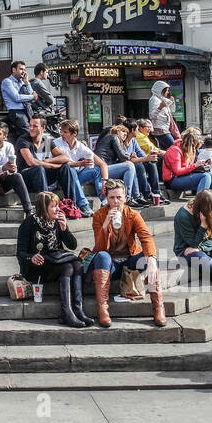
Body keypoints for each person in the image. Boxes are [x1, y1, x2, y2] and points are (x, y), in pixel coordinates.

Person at [87, 179, 166, 326]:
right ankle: (103, 309)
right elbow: (99, 248)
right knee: (102, 256)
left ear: (125, 197)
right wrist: (105, 227)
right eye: (111, 197)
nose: (116, 201)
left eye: (119, 197)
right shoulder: (99, 215)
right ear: (106, 198)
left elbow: (145, 237)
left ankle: (158, 308)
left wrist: (152, 259)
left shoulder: (133, 214)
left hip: (129, 261)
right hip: (109, 264)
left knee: (151, 259)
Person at [17, 190, 90, 328]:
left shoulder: (57, 222)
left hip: (55, 260)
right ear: (43, 208)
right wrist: (31, 257)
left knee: (78, 265)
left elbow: (72, 245)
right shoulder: (29, 224)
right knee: (67, 267)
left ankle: (78, 309)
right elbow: (20, 252)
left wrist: (64, 229)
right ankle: (66, 312)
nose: (58, 209)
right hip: (37, 266)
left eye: (57, 205)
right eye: (53, 206)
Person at [18, 116, 91, 214]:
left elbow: (65, 158)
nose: (31, 128)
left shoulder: (46, 141)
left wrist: (49, 161)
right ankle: (46, 207)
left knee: (66, 167)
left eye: (35, 126)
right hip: (26, 178)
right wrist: (52, 165)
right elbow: (31, 162)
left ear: (43, 128)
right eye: (30, 125)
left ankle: (70, 206)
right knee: (39, 168)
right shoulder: (23, 140)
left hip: (43, 175)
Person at [50, 119, 115, 213]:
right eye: (62, 131)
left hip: (76, 176)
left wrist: (105, 183)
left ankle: (105, 200)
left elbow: (102, 164)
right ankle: (83, 204)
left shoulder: (81, 147)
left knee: (96, 169)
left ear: (74, 134)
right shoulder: (56, 143)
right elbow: (57, 164)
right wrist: (80, 163)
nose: (62, 134)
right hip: (61, 177)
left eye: (65, 132)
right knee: (70, 170)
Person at [89, 122, 149, 207]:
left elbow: (121, 158)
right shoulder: (114, 137)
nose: (125, 134)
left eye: (126, 133)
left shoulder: (116, 141)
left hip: (106, 168)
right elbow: (122, 157)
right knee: (129, 166)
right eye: (123, 131)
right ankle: (127, 198)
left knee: (131, 165)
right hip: (100, 170)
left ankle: (135, 196)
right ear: (117, 131)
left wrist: (130, 157)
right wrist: (132, 157)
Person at [161, 129, 212, 202]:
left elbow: (187, 167)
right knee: (205, 176)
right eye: (195, 144)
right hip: (172, 180)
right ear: (191, 141)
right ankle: (199, 202)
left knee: (211, 174)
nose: (195, 146)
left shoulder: (190, 149)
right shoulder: (175, 150)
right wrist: (195, 165)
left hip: (183, 176)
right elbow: (177, 171)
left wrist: (200, 166)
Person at [0, 60, 36, 144]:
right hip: (17, 112)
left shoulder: (22, 82)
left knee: (31, 134)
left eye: (24, 69)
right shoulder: (7, 82)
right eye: (21, 69)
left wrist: (27, 83)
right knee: (29, 134)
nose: (23, 71)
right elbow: (16, 97)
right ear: (14, 70)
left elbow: (32, 97)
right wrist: (32, 96)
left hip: (27, 111)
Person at [147, 81, 176, 149]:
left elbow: (172, 112)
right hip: (160, 129)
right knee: (174, 147)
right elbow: (152, 116)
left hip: (166, 128)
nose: (168, 92)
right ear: (161, 90)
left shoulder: (163, 100)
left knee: (166, 149)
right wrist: (160, 107)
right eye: (166, 90)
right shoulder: (154, 100)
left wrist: (172, 103)